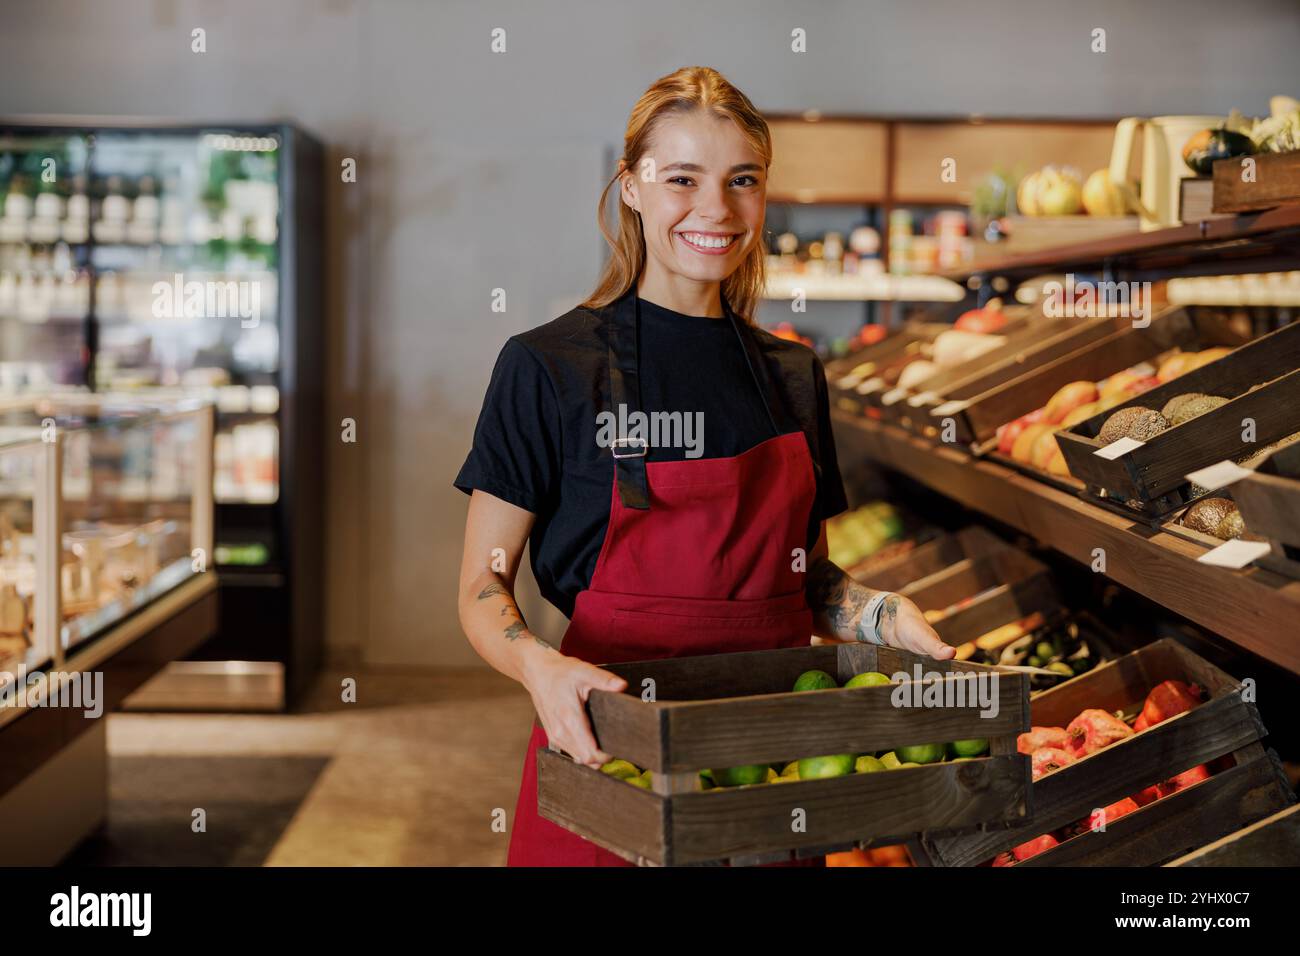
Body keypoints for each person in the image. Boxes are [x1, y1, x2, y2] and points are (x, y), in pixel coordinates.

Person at [455, 66, 953, 867]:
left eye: (741, 180)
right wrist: (537, 668)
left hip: (775, 762)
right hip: (607, 751)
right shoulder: (549, 367)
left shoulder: (793, 375)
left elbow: (808, 578)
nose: (716, 209)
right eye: (682, 178)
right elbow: (482, 586)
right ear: (632, 187)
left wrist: (877, 615)